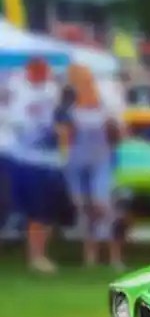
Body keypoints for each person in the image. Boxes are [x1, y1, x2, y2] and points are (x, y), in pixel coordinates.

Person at [57, 64, 124, 270]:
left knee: (102, 205)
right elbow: (66, 137)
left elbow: (117, 137)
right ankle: (91, 256)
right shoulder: (70, 109)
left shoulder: (105, 107)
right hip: (78, 161)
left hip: (100, 160)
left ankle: (115, 256)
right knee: (84, 208)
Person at [8, 57, 62, 273]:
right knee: (36, 211)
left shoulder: (52, 92)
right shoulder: (19, 93)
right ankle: (36, 256)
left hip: (51, 161)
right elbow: (18, 123)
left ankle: (41, 253)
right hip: (28, 159)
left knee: (48, 211)